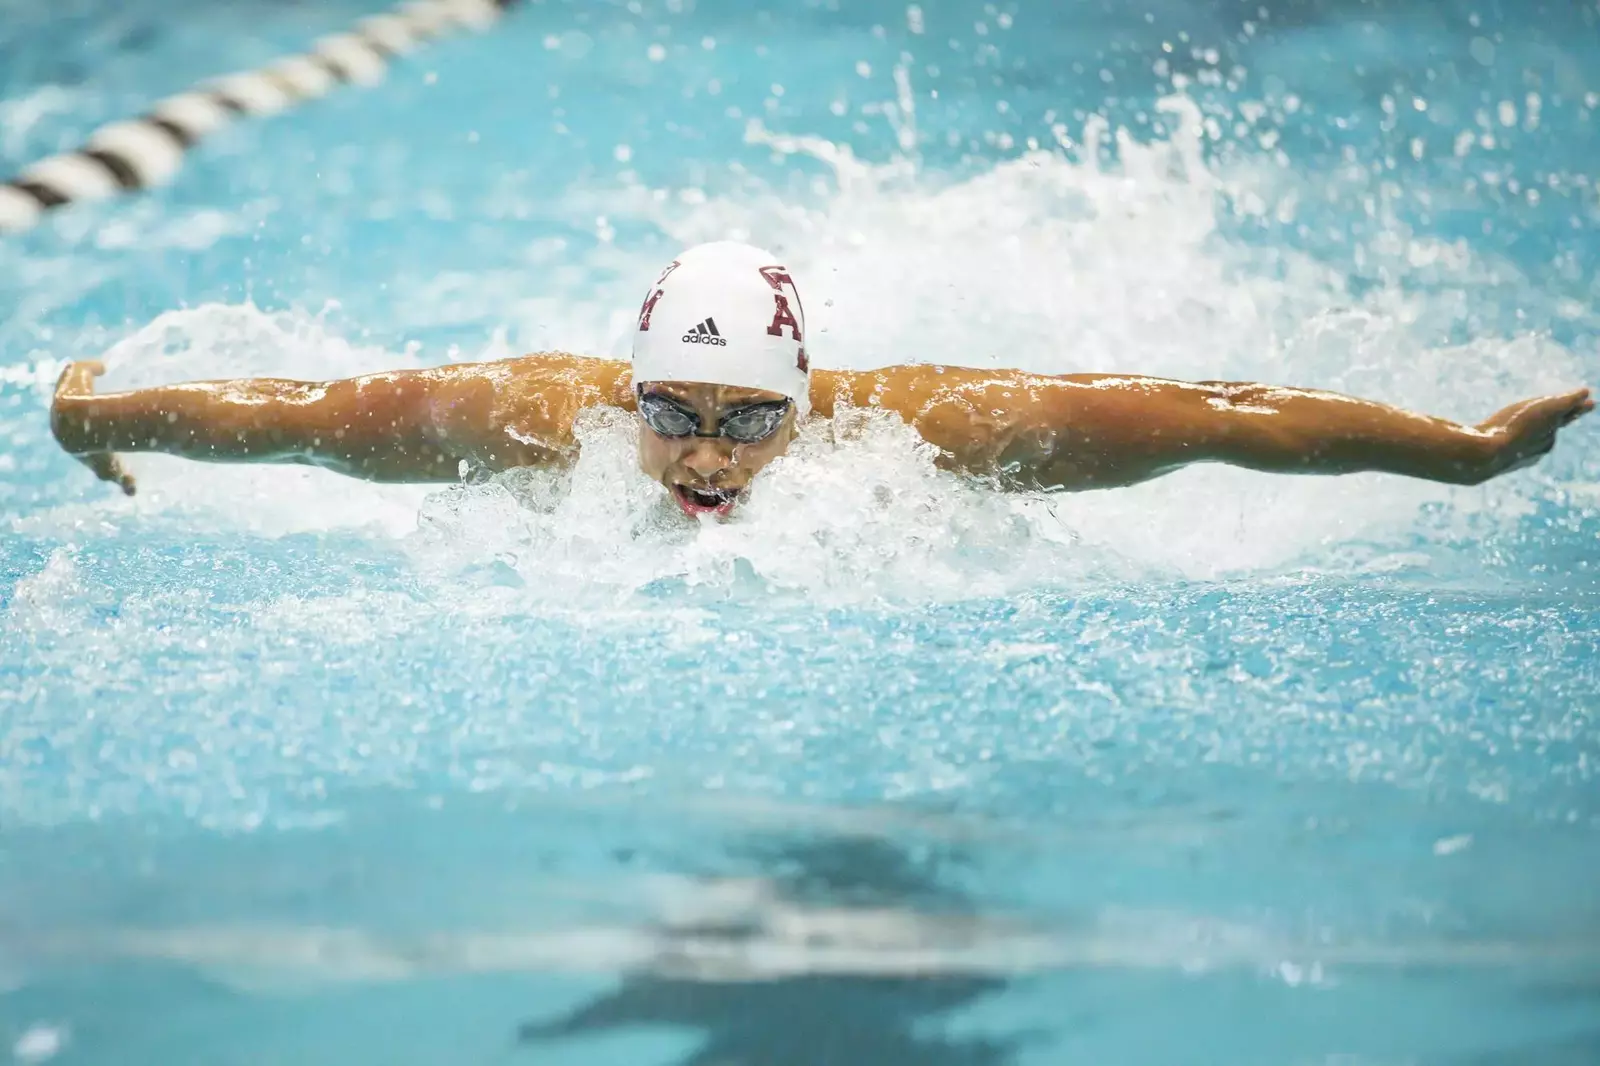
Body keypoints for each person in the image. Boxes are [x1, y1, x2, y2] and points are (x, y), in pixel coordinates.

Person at [49, 240, 1591, 518]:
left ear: (807, 401)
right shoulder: (533, 415)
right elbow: (300, 422)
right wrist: (92, 413)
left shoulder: (923, 431)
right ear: (630, 391)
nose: (708, 458)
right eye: (674, 413)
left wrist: (1459, 450)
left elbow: (1214, 422)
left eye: (749, 423)